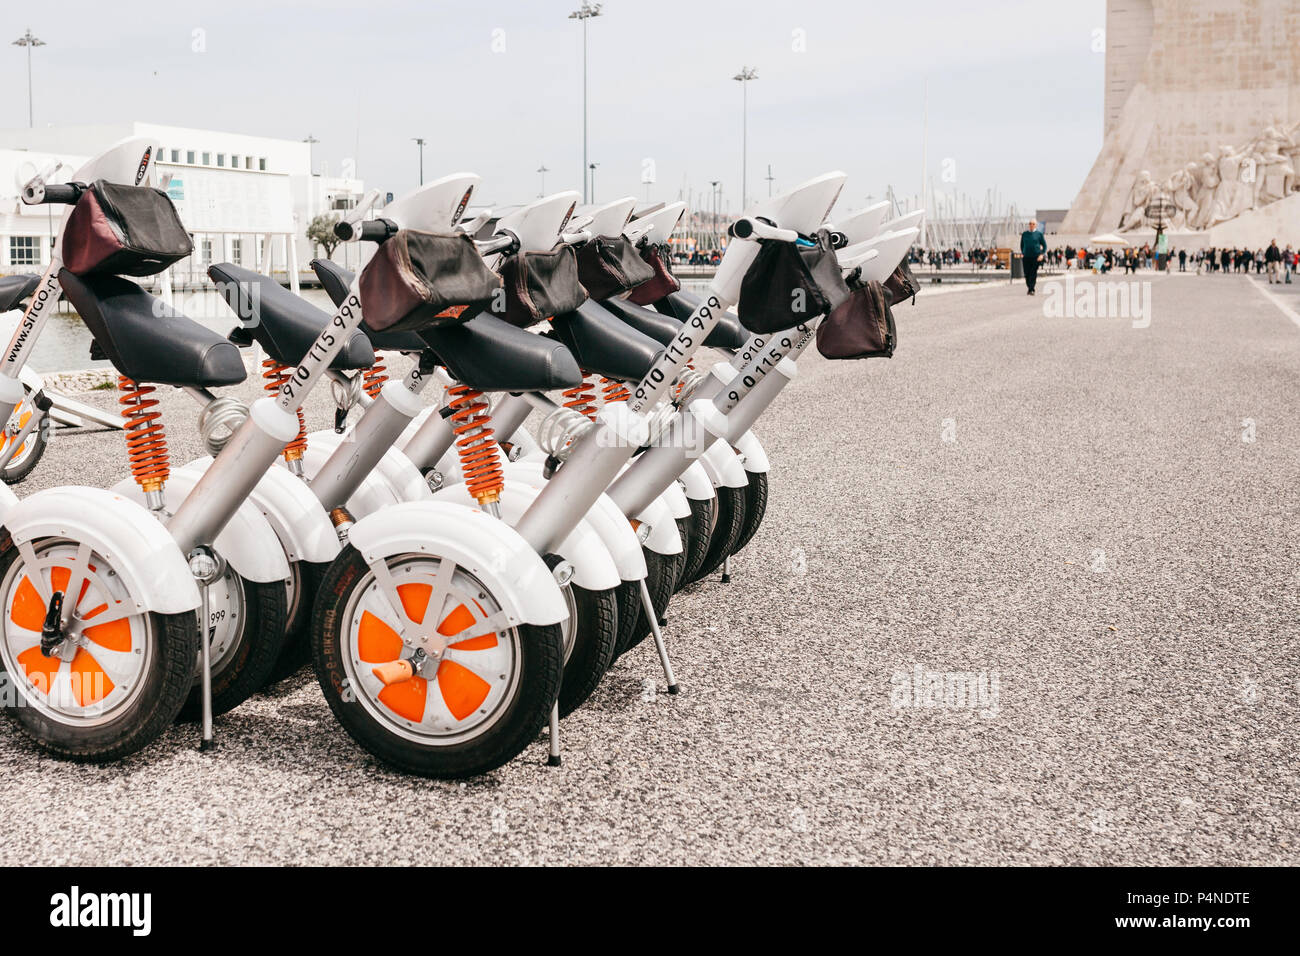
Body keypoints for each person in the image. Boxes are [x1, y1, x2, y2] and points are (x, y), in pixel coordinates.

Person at [1020, 219, 1046, 295]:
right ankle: (1029, 287)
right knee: (1026, 273)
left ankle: (1032, 289)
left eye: (1033, 224)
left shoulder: (1039, 234)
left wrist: (1041, 254)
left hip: (1036, 257)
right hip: (1026, 257)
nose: (1031, 225)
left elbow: (1044, 245)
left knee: (1033, 273)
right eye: (1030, 223)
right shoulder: (1024, 234)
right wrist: (1023, 252)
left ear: (1036, 225)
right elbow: (1022, 245)